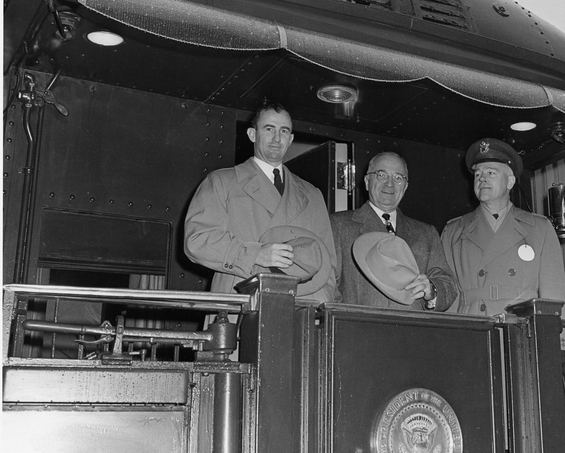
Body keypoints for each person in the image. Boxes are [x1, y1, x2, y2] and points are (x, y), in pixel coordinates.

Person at [184, 102, 336, 302]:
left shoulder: (312, 194)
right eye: (269, 129)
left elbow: (328, 264)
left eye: (283, 131)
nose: (276, 138)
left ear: (290, 139)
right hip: (241, 301)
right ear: (252, 135)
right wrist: (255, 255)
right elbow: (197, 241)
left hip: (301, 305)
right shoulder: (222, 181)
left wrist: (324, 305)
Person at [441, 138, 565, 318]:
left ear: (510, 182)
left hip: (522, 331)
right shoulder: (453, 231)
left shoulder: (539, 228)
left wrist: (558, 342)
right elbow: (449, 300)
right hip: (474, 330)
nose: (482, 179)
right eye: (478, 174)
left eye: (491, 173)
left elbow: (555, 297)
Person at [330, 152, 457, 310]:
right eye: (381, 175)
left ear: (405, 187)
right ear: (367, 181)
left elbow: (448, 286)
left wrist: (432, 290)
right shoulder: (338, 225)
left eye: (398, 178)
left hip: (412, 332)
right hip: (360, 331)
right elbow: (328, 287)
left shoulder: (426, 233)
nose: (389, 184)